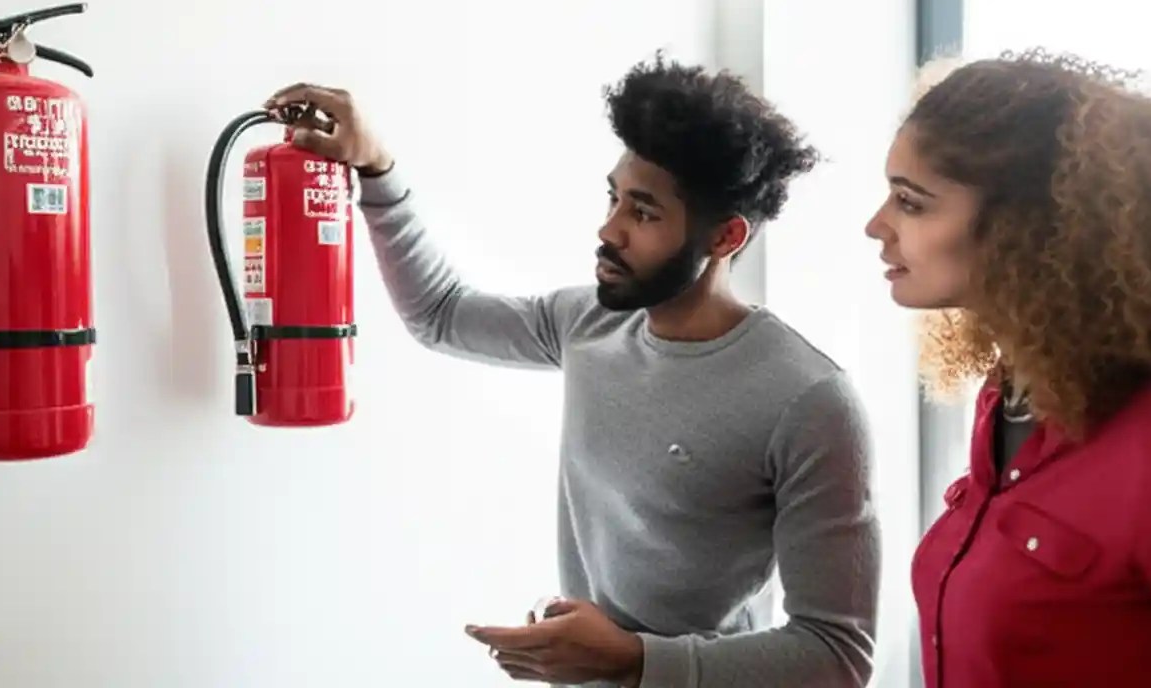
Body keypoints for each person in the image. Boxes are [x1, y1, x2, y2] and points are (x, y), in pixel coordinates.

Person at [268, 53, 880, 688]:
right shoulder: (590, 322)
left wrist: (630, 660)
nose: (608, 229)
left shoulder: (809, 399)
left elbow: (836, 656)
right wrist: (376, 168)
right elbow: (441, 314)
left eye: (643, 213)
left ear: (726, 238)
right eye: (614, 198)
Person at [866, 47, 1151, 688]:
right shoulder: (1009, 395)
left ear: (1027, 229)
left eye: (912, 203)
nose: (875, 226)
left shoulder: (1144, 442)